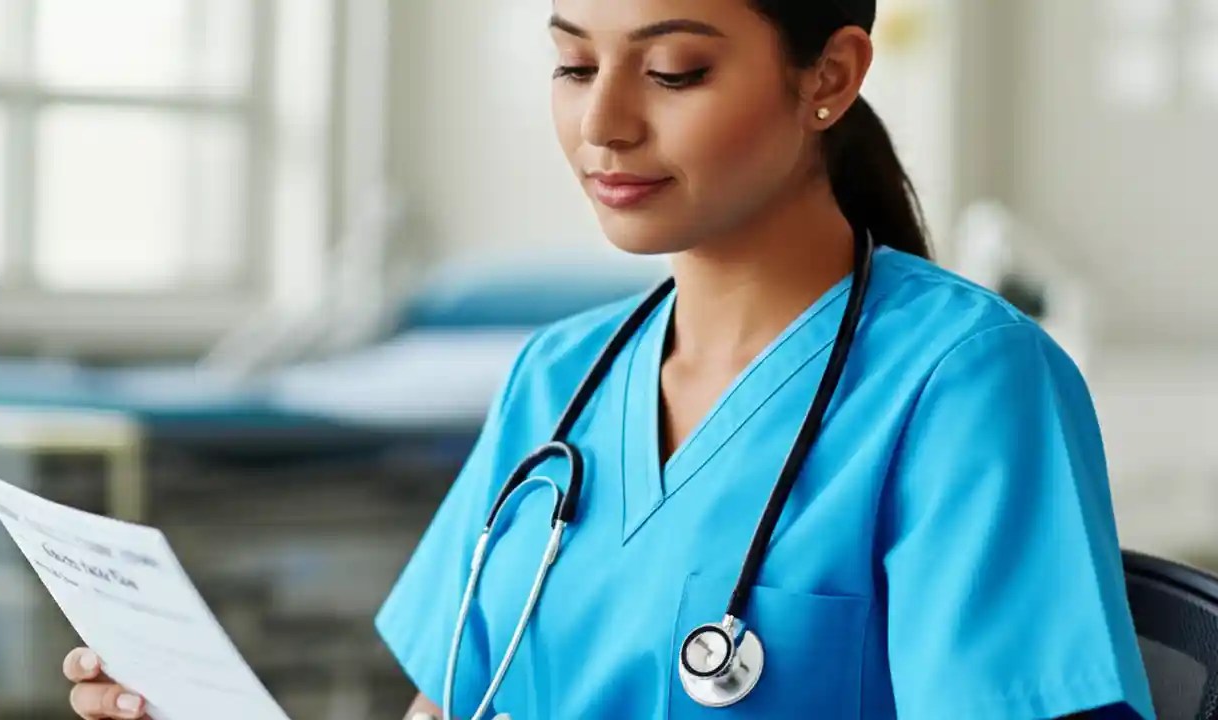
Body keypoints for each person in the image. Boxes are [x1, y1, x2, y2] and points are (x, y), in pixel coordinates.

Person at [63, 0, 1156, 718]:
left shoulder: (963, 384)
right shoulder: (556, 377)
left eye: (673, 72)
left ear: (827, 75)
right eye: (572, 64)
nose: (603, 124)